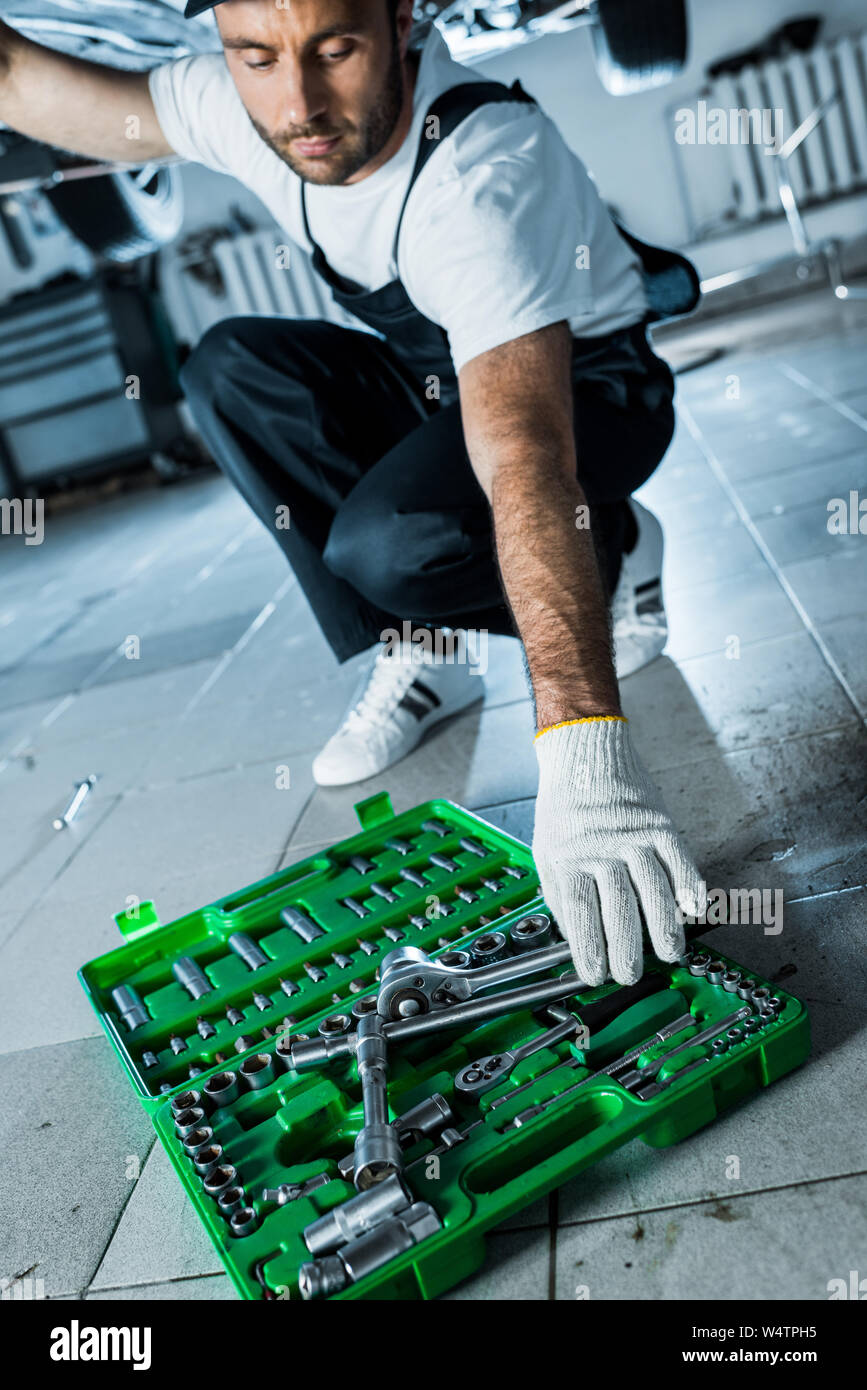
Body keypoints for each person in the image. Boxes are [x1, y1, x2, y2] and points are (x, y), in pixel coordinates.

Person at [0, 0, 705, 985]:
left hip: (585, 397)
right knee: (227, 369)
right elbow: (31, 85)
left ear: (401, 22)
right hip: (441, 378)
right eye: (257, 57)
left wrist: (583, 751)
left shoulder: (481, 170)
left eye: (334, 49)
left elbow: (523, 457)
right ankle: (430, 649)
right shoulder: (242, 104)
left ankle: (617, 549)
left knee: (394, 543)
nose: (299, 103)